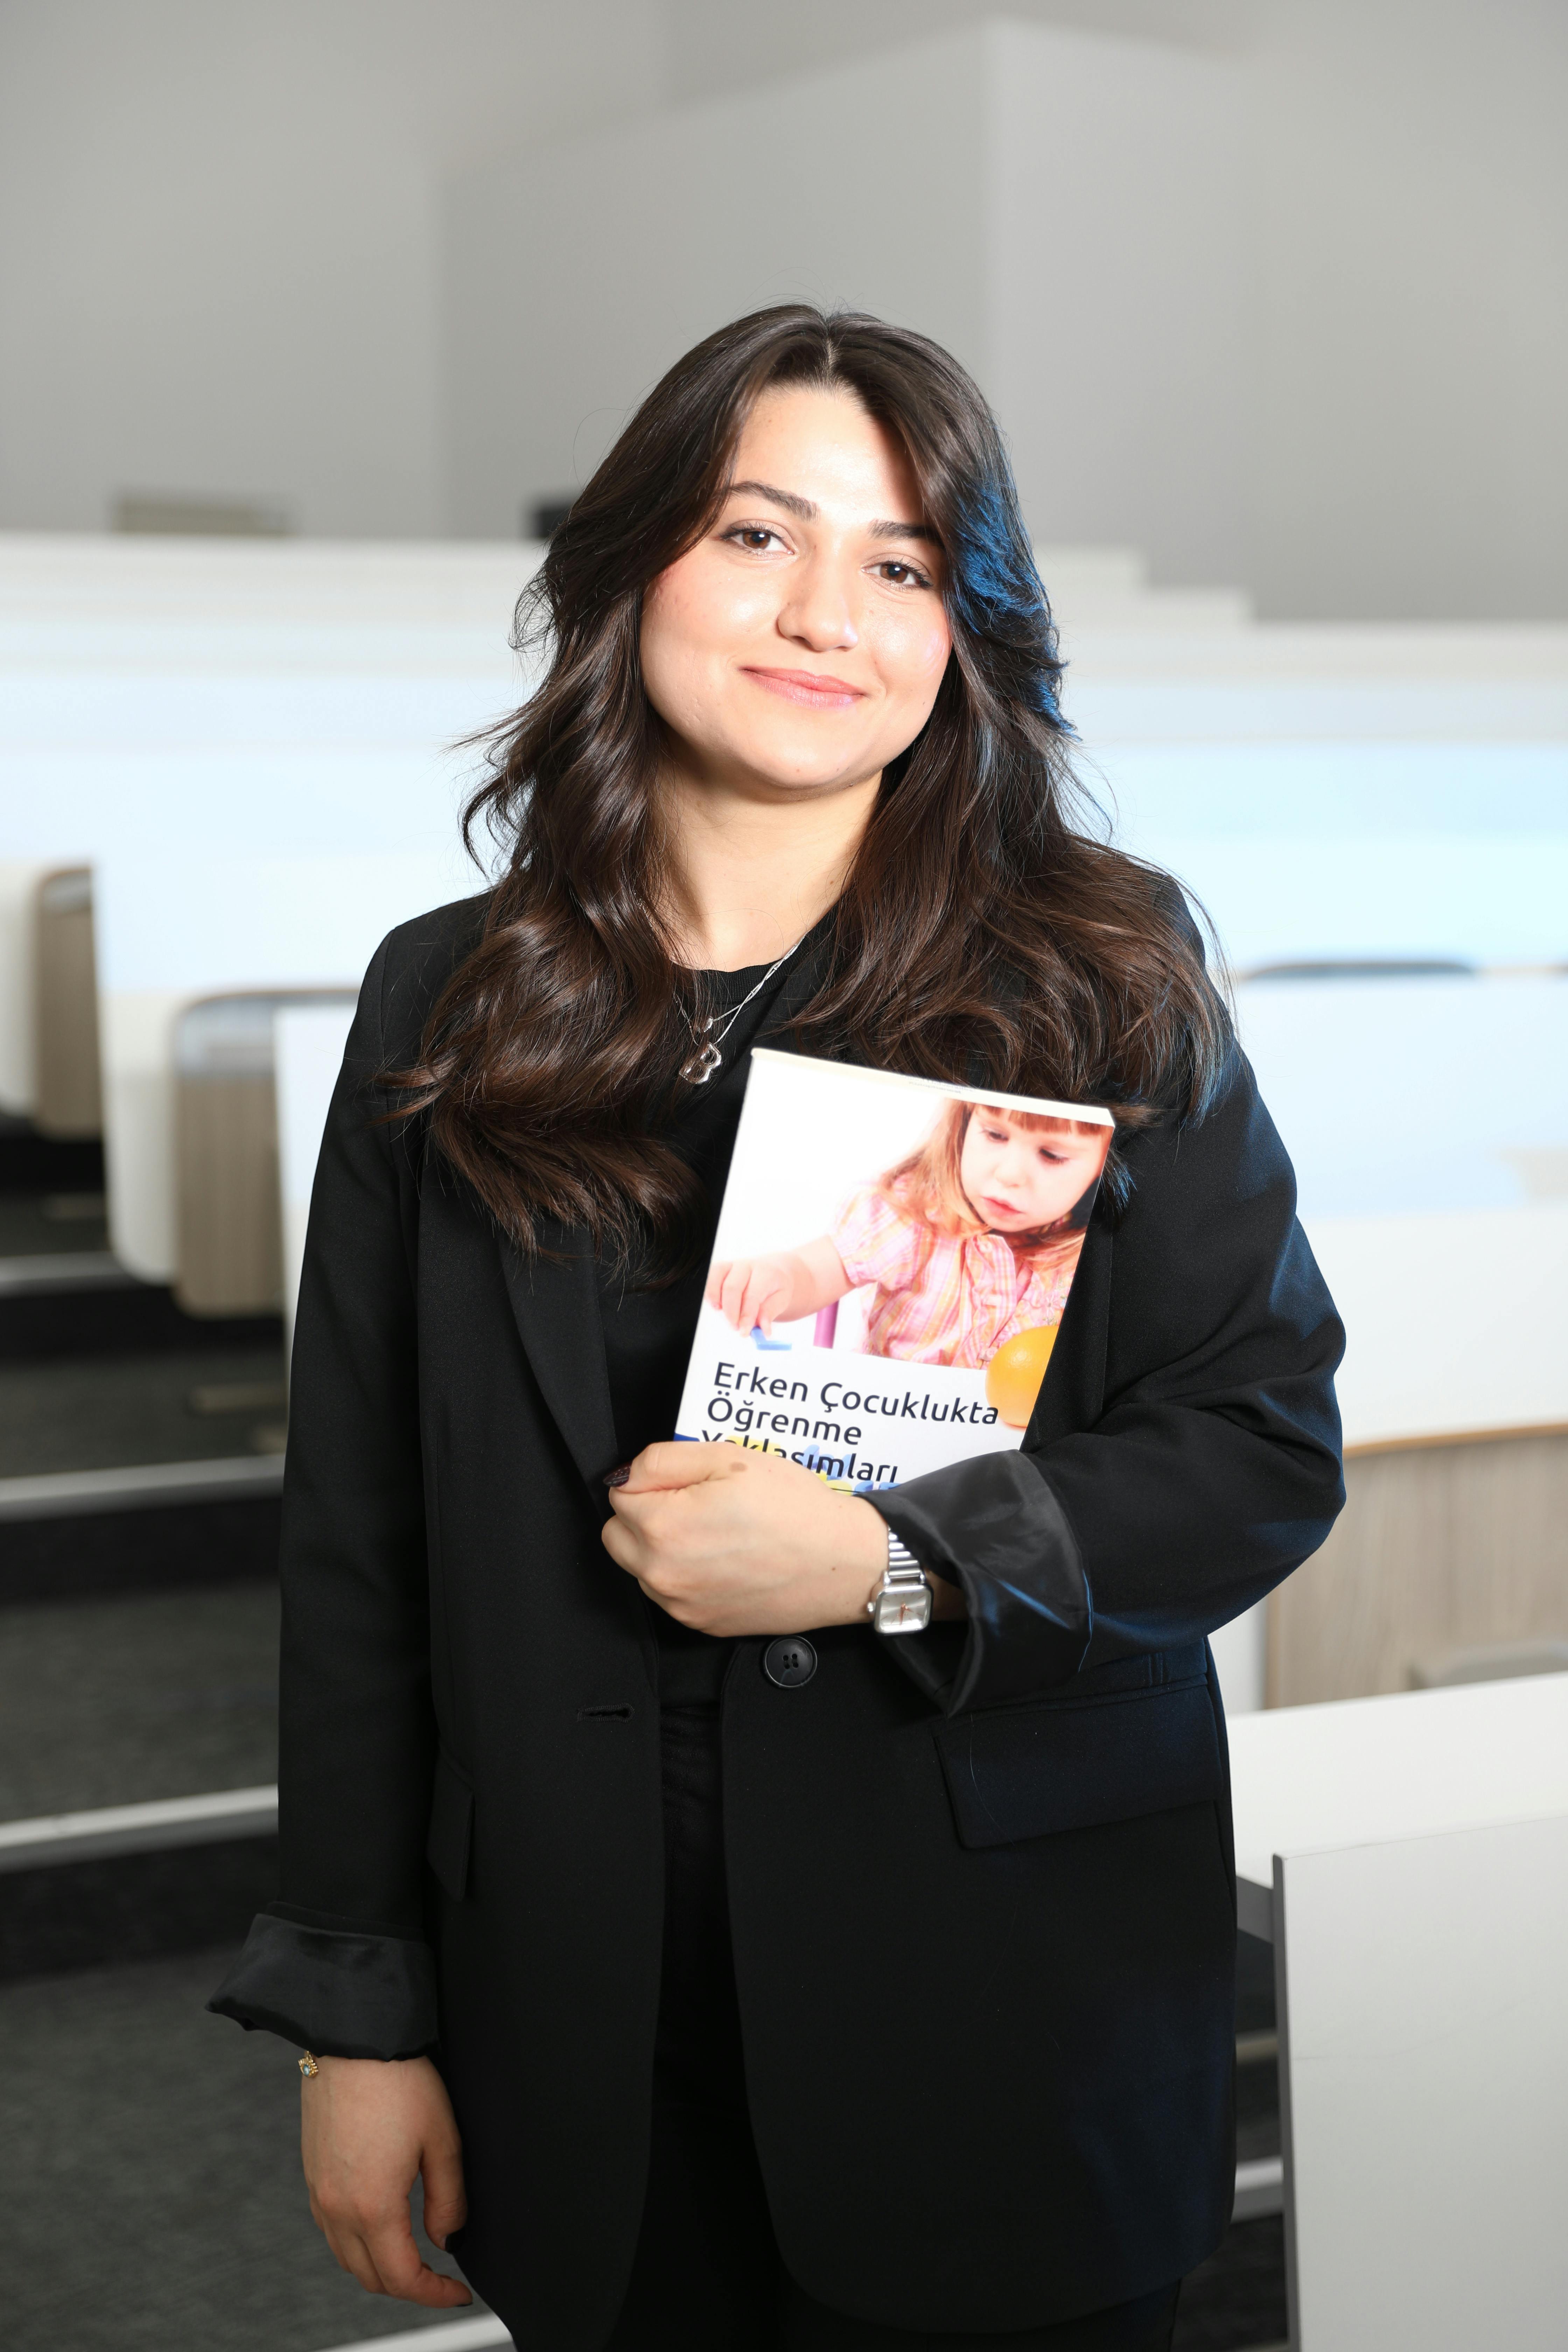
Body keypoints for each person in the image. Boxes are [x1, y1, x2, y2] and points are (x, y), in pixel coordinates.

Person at [209, 305, 1345, 2352]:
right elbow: (357, 1542)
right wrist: (355, 2018)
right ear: (633, 561)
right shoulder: (444, 997)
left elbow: (1254, 1445)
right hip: (580, 2019)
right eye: (756, 534)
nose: (825, 612)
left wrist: (894, 1556)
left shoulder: (1089, 974)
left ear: (960, 632)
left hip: (996, 1997)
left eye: (898, 564)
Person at [707, 1100, 1112, 1363]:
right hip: (878, 1437)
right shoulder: (913, 1215)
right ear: (965, 1122)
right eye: (994, 1134)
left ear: (1103, 1165)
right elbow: (814, 1273)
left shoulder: (1091, 1256)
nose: (1008, 1174)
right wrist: (778, 1276)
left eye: (1052, 1155)